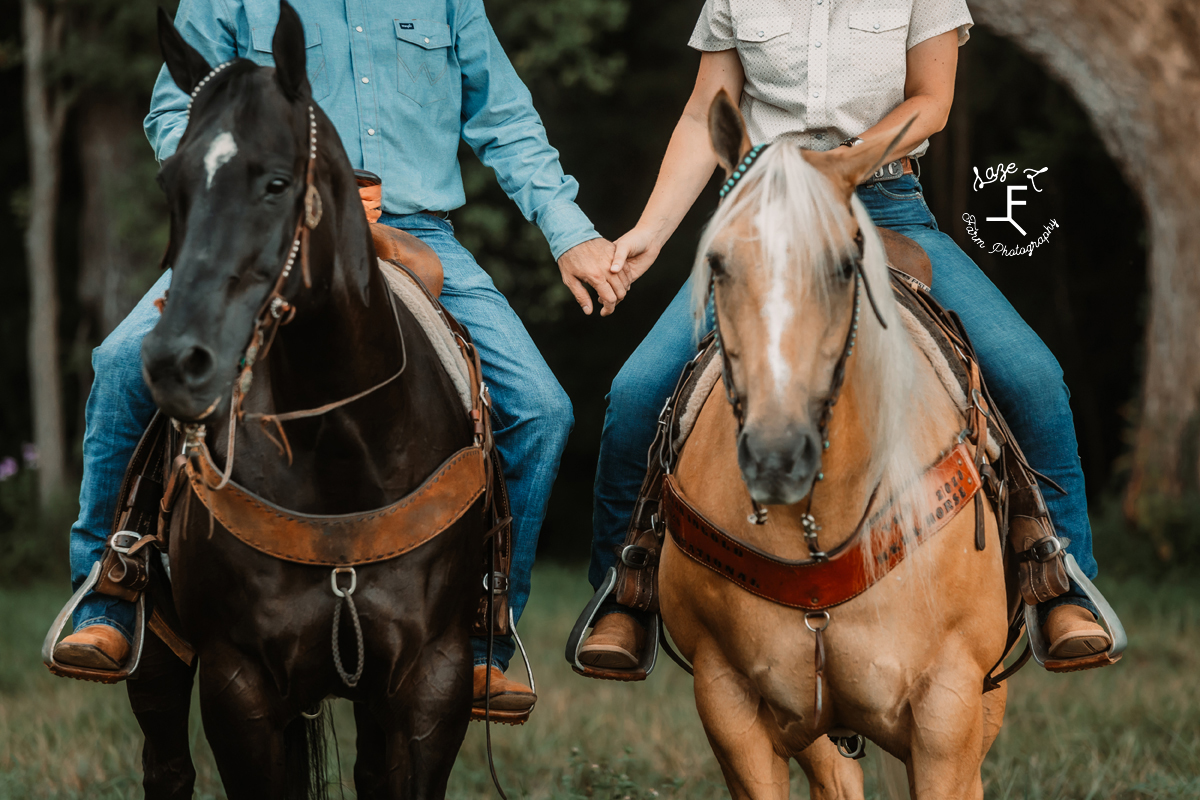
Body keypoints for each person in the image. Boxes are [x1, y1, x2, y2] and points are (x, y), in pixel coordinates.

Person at [56, 0, 629, 718]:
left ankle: (486, 629)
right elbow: (177, 113)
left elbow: (504, 119)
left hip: (421, 234)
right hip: (264, 227)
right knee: (120, 363)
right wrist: (235, 182)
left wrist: (569, 232)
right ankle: (110, 586)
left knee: (541, 410)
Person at [577, 0, 1110, 669]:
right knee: (634, 393)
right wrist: (650, 233)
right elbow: (701, 112)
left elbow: (931, 99)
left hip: (884, 199)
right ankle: (625, 592)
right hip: (765, 204)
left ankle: (1059, 578)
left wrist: (846, 164)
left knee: (1030, 377)